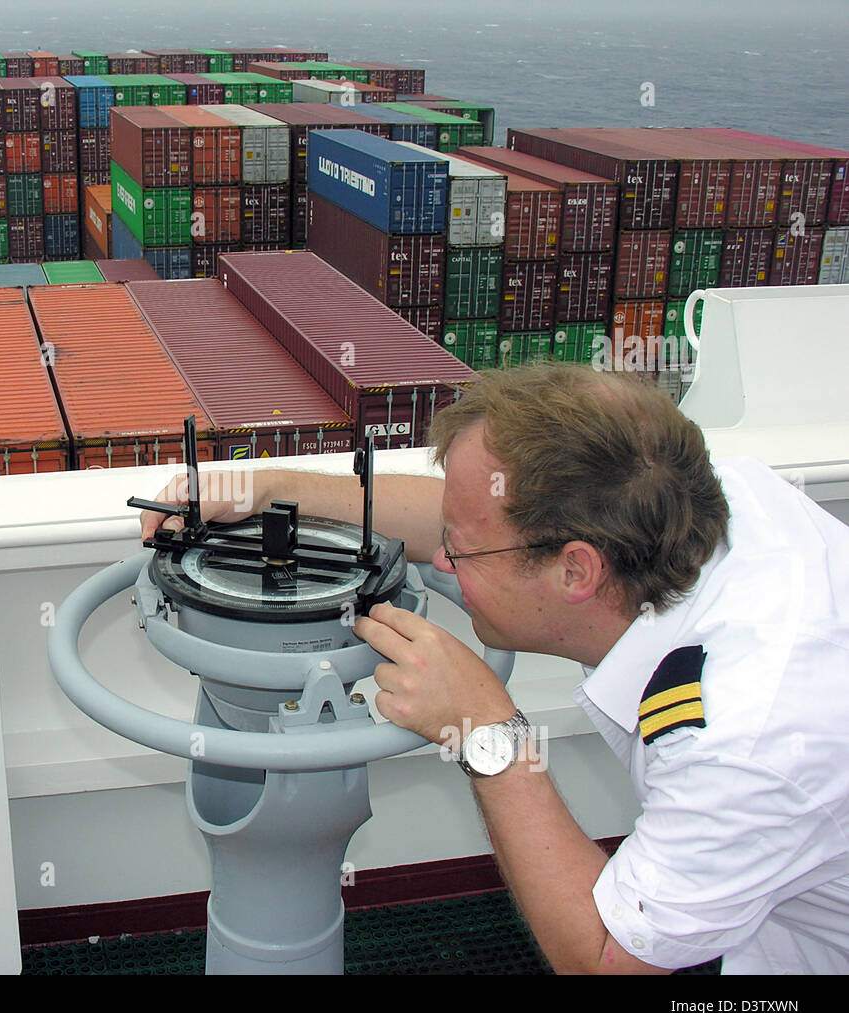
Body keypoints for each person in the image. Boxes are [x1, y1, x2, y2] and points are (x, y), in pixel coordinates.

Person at [139, 363, 849, 975]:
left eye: (462, 555)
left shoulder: (746, 740)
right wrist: (270, 490)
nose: (439, 561)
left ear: (577, 570)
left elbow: (608, 960)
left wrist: (487, 732)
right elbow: (471, 519)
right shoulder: (699, 493)